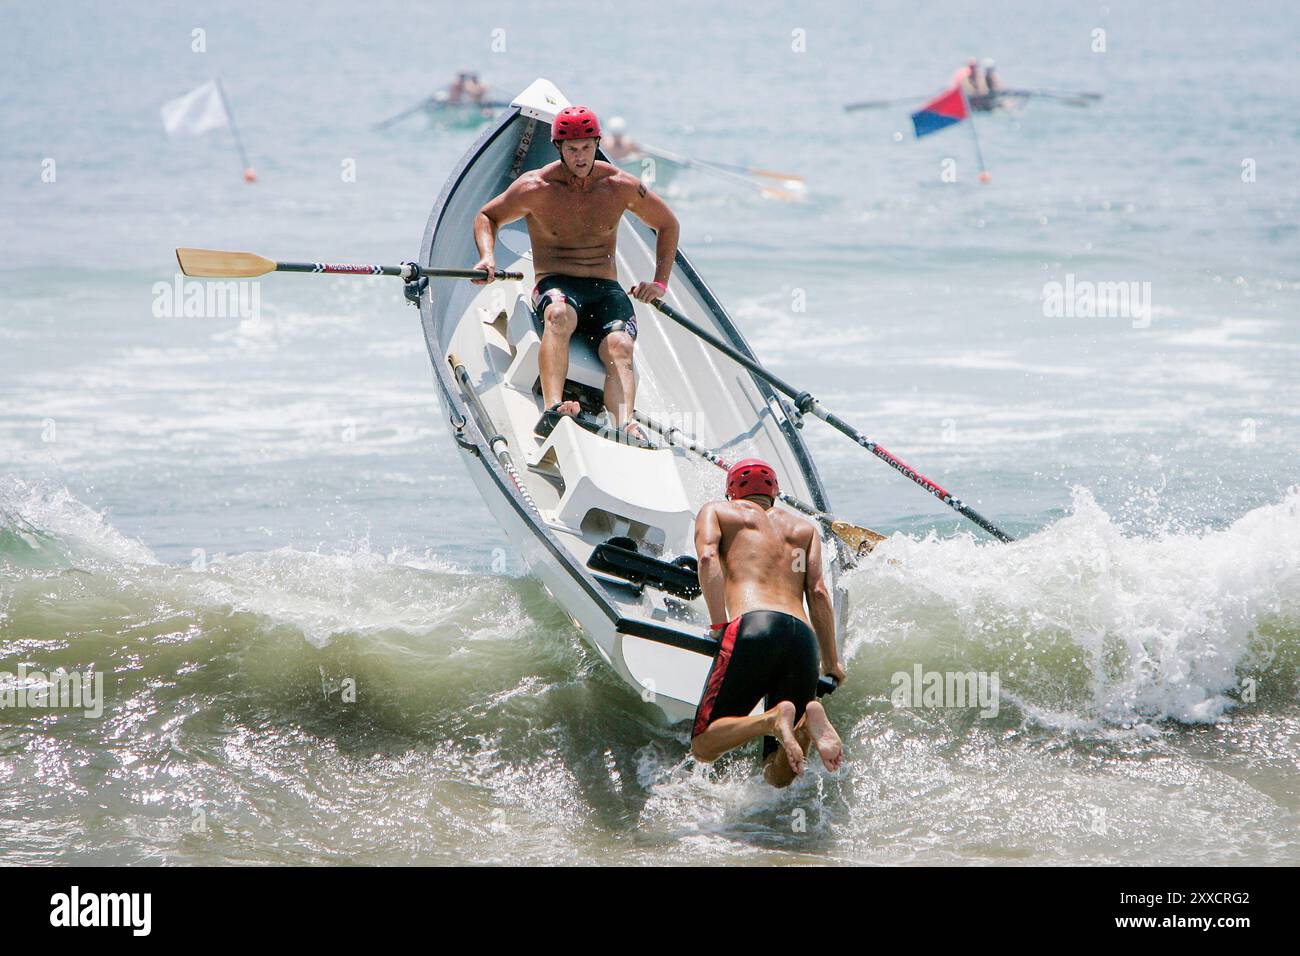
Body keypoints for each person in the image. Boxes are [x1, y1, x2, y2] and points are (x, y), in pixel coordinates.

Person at [471, 106, 679, 444]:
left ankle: (625, 424)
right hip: (557, 283)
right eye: (572, 149)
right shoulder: (534, 187)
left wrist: (659, 282)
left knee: (621, 345)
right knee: (558, 315)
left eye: (586, 148)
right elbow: (487, 217)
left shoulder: (621, 186)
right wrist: (487, 258)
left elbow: (668, 224)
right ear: (558, 148)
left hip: (605, 288)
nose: (580, 157)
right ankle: (553, 409)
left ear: (597, 143)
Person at [689, 458, 845, 787]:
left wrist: (720, 626)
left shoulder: (718, 511)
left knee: (703, 745)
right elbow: (818, 592)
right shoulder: (804, 530)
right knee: (777, 776)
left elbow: (707, 558)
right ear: (774, 493)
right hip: (803, 640)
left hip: (753, 625)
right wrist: (831, 661)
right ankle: (803, 726)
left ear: (731, 491)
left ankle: (771, 720)